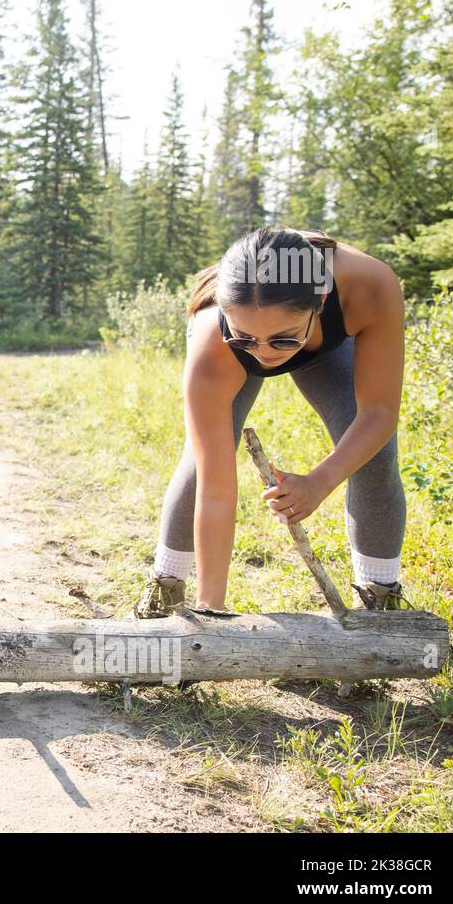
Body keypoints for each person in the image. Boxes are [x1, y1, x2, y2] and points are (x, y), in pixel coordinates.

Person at [136, 227, 408, 619]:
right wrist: (212, 613)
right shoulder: (215, 340)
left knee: (374, 456)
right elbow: (216, 491)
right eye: (246, 338)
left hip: (325, 344)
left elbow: (378, 413)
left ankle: (380, 605)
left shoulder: (370, 286)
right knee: (202, 464)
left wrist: (320, 481)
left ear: (322, 301)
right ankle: (166, 594)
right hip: (226, 351)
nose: (263, 355)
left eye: (281, 340)